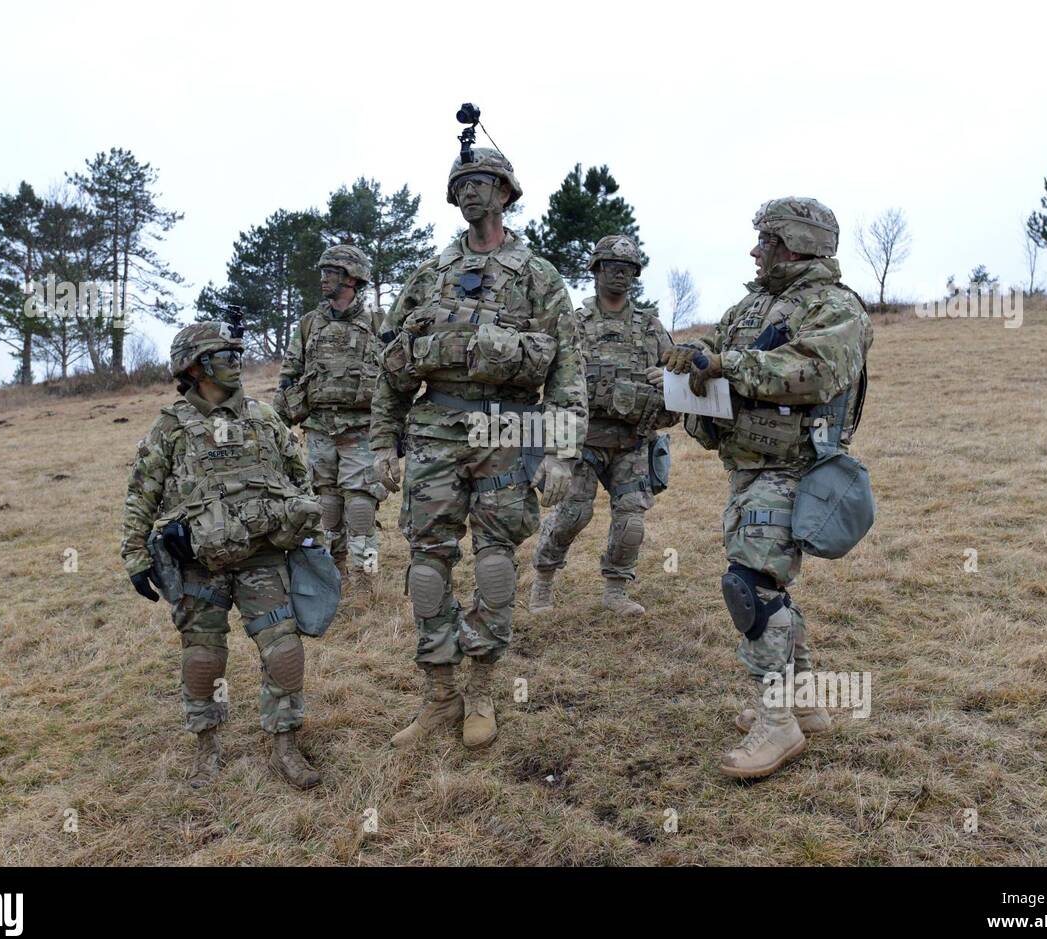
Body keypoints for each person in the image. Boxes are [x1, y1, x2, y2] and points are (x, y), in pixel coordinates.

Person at [370, 145, 586, 750]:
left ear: (506, 192)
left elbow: (569, 368)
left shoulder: (538, 277)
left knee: (494, 562)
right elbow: (388, 365)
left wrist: (562, 450)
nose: (470, 190)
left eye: (482, 181)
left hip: (507, 432)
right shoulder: (428, 275)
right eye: (461, 182)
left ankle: (483, 686)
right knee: (427, 565)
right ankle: (439, 697)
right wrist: (385, 441)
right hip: (435, 428)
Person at [665, 197, 872, 780]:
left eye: (766, 240)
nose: (755, 250)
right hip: (750, 467)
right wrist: (689, 360)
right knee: (769, 584)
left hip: (796, 468)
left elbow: (812, 371)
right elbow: (714, 348)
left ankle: (776, 720)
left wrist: (726, 366)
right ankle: (803, 702)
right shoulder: (753, 305)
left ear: (795, 244)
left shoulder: (837, 309)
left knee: (750, 587)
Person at [123, 319, 324, 789]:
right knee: (203, 659)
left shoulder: (264, 417)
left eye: (237, 356)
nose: (236, 363)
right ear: (194, 367)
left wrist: (300, 528)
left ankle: (285, 745)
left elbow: (301, 480)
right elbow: (140, 494)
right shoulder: (170, 428)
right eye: (224, 356)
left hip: (262, 559)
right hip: (199, 565)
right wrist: (136, 557)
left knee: (285, 652)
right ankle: (206, 748)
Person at [530, 234, 678, 617]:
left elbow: (675, 371)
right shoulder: (575, 325)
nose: (620, 276)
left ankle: (615, 589)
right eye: (612, 267)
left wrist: (668, 377)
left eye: (628, 270)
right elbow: (553, 377)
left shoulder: (650, 327)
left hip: (632, 441)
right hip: (584, 441)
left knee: (631, 522)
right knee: (572, 516)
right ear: (596, 271)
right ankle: (544, 577)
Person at [274, 244, 386, 589]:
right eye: (323, 272)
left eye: (331, 272)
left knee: (362, 506)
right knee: (326, 507)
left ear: (352, 278)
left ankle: (365, 577)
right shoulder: (309, 324)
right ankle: (331, 574)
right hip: (320, 428)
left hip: (362, 430)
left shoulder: (380, 323)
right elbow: (289, 375)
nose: (323, 279)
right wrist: (277, 425)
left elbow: (398, 377)